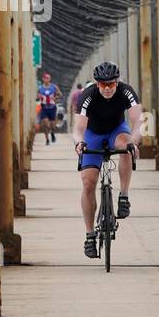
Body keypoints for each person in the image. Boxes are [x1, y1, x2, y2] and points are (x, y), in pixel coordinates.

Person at [74, 60, 142, 258]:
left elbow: (138, 120)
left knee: (126, 147)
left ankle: (123, 195)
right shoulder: (88, 96)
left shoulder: (126, 91)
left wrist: (135, 142)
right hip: (92, 135)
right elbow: (78, 129)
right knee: (88, 183)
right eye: (102, 84)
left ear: (117, 82)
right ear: (96, 84)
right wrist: (79, 143)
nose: (106, 88)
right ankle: (89, 236)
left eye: (111, 84)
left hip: (116, 131)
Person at [36, 72, 62, 145]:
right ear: (43, 79)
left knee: (52, 125)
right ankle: (47, 139)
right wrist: (39, 97)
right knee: (46, 124)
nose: (46, 80)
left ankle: (52, 133)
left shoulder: (54, 87)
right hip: (44, 107)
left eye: (48, 78)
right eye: (45, 78)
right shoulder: (40, 88)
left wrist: (55, 97)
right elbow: (37, 95)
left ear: (50, 79)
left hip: (52, 107)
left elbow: (60, 94)